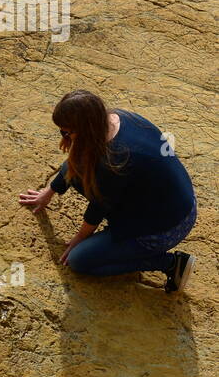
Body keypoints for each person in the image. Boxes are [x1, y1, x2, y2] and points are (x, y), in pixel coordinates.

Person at [18, 90, 197, 292]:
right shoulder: (117, 118)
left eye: (66, 132)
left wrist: (79, 239)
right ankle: (120, 244)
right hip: (176, 198)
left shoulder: (115, 160)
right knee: (81, 170)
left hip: (167, 225)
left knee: (80, 260)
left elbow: (98, 208)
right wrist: (49, 191)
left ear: (86, 129)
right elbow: (77, 161)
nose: (64, 136)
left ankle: (171, 264)